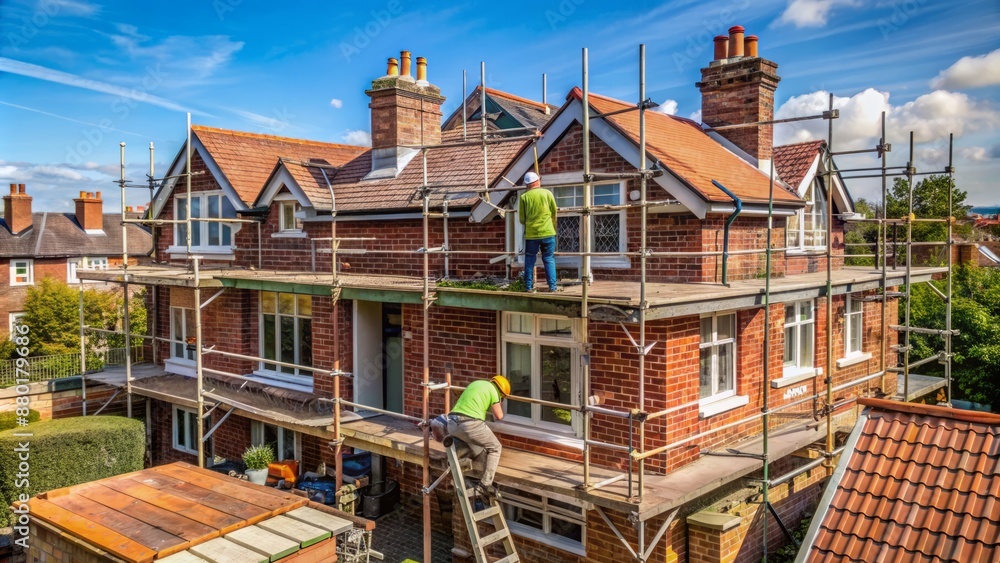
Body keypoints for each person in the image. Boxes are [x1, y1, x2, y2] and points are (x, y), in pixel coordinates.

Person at [448, 375, 511, 499]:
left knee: (477, 446)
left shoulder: (476, 383)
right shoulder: (494, 392)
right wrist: (497, 402)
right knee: (495, 447)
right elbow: (499, 415)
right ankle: (485, 484)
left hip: (451, 423)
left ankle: (464, 466)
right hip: (469, 424)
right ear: (501, 393)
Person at [518, 171, 558, 292]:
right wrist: (552, 225)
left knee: (530, 259)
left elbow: (522, 219)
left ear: (527, 184)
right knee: (549, 259)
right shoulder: (547, 193)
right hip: (548, 232)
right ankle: (552, 287)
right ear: (537, 181)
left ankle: (528, 287)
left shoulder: (524, 197)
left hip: (532, 235)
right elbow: (554, 212)